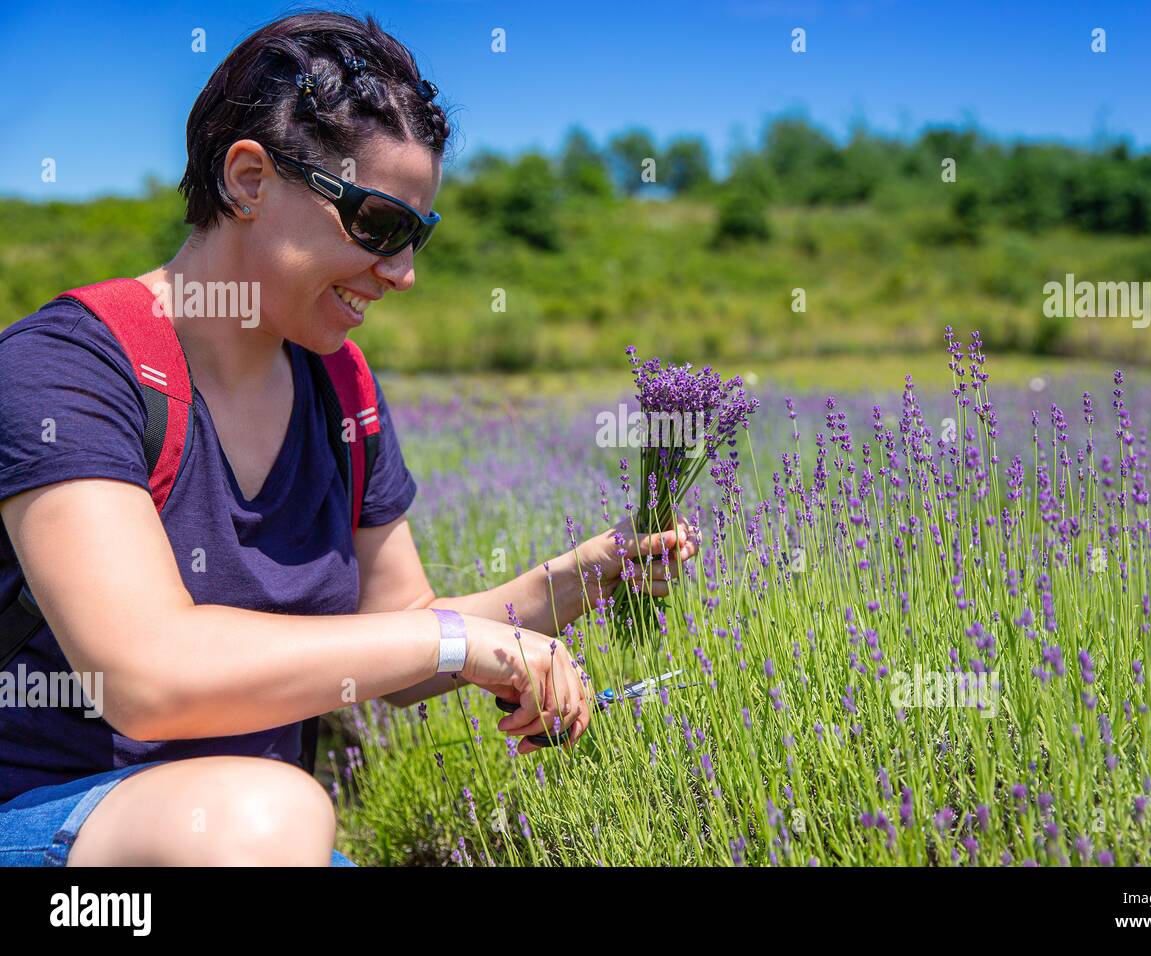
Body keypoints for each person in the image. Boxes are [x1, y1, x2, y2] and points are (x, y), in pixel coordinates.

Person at [0, 11, 696, 867]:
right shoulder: (68, 369)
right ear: (250, 181)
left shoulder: (341, 387)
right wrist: (459, 641)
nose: (402, 274)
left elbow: (401, 632)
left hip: (262, 841)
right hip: (56, 829)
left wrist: (580, 580)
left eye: (419, 236)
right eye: (379, 223)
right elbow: (146, 678)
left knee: (270, 818)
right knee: (265, 811)